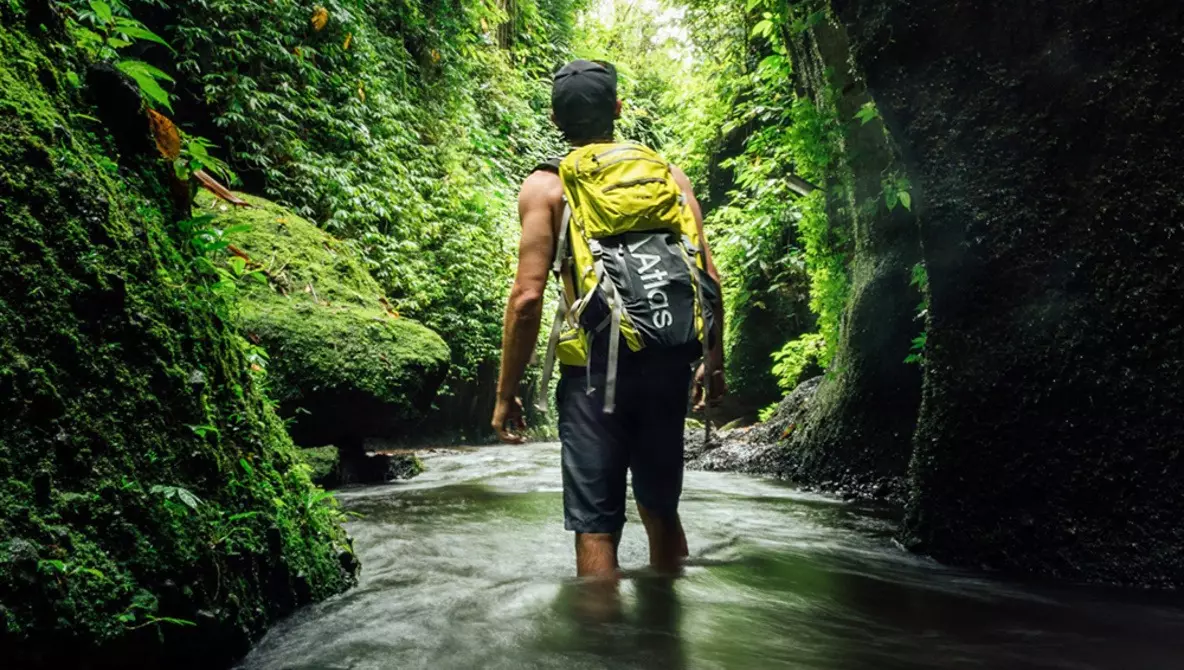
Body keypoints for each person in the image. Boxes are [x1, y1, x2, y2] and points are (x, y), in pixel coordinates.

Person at [491, 59, 726, 579]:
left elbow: (527, 299)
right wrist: (714, 362)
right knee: (662, 509)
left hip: (592, 374)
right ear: (617, 110)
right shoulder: (668, 175)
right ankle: (667, 639)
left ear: (555, 119)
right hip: (668, 362)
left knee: (596, 525)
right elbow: (707, 275)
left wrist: (506, 395)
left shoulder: (546, 188)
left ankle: (605, 650)